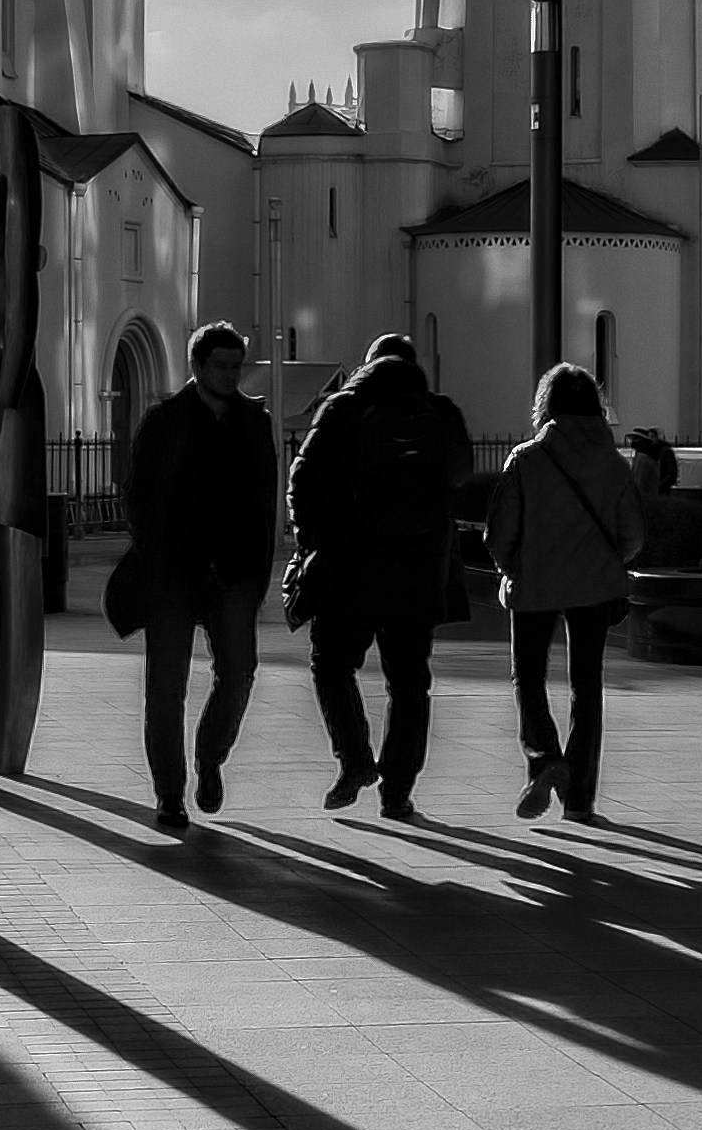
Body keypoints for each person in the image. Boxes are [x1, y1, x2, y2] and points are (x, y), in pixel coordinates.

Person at [286, 332, 471, 820]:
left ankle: (354, 760)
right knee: (409, 683)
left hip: (352, 567)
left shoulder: (342, 408)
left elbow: (301, 482)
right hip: (419, 571)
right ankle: (398, 792)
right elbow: (459, 479)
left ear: (368, 365)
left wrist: (313, 544)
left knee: (331, 663)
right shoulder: (443, 413)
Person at [122, 321, 277, 831]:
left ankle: (210, 759)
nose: (231, 375)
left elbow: (262, 502)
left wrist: (256, 575)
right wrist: (159, 558)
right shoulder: (166, 421)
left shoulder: (254, 423)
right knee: (166, 688)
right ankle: (170, 793)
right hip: (175, 576)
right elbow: (139, 498)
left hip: (233, 574)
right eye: (221, 366)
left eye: (237, 366)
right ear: (197, 366)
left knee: (238, 675)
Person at [486, 364, 650, 822]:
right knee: (586, 685)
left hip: (534, 583)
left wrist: (511, 568)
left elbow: (500, 535)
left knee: (529, 676)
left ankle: (544, 758)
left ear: (547, 405)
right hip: (595, 586)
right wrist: (606, 560)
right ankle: (579, 798)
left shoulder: (526, 459)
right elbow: (633, 536)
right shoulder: (613, 464)